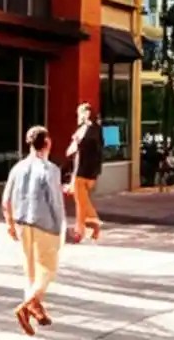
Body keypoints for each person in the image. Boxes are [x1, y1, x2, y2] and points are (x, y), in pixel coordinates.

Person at [2, 125, 65, 337]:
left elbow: (5, 200)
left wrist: (9, 223)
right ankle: (27, 305)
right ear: (46, 143)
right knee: (49, 268)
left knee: (30, 272)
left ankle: (33, 313)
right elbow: (55, 203)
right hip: (44, 224)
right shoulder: (50, 170)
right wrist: (60, 227)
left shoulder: (17, 168)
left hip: (22, 223)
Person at [65, 102, 105, 242]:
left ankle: (93, 225)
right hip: (92, 172)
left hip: (80, 171)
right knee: (82, 202)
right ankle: (80, 231)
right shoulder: (98, 129)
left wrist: (73, 143)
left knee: (81, 203)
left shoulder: (83, 129)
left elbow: (71, 151)